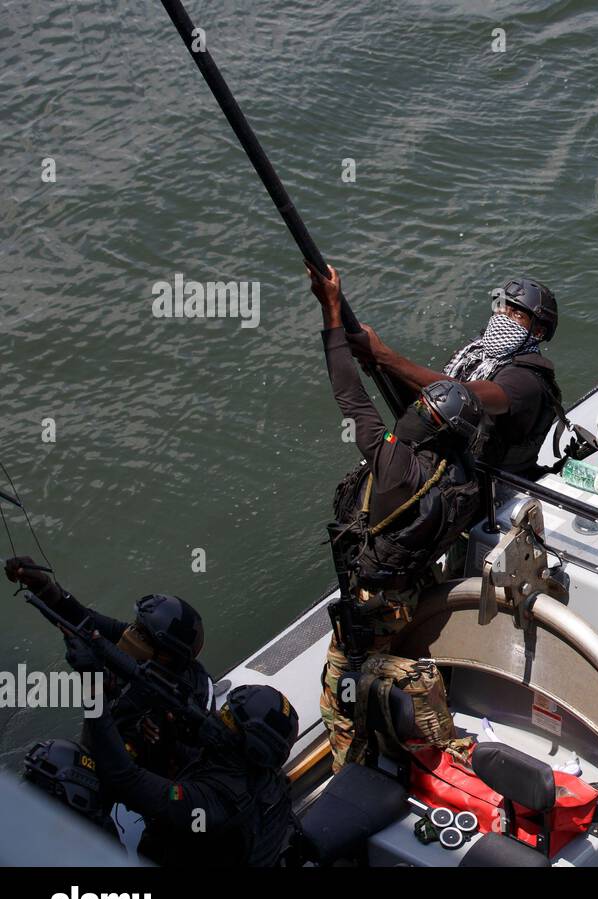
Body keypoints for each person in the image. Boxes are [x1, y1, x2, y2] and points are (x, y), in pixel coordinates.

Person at [308, 263, 485, 771]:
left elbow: (349, 394)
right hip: (412, 587)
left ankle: (355, 774)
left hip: (373, 600)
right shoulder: (461, 479)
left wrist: (331, 310)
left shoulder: (395, 469)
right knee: (391, 658)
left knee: (342, 696)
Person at [5, 557, 212, 777]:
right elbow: (83, 619)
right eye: (136, 625)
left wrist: (92, 681)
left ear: (166, 656)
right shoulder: (141, 650)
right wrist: (43, 585)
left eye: (141, 633)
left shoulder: (174, 706)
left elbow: (111, 758)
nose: (130, 632)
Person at [345, 277, 562, 477]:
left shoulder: (525, 381)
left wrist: (385, 356)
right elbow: (432, 400)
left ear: (538, 332)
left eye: (517, 315)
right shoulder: (474, 355)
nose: (504, 318)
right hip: (450, 461)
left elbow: (461, 395)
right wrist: (387, 369)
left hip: (488, 483)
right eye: (503, 308)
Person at [84, 682, 298, 866]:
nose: (217, 717)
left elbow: (127, 779)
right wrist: (165, 735)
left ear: (254, 747)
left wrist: (92, 693)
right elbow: (196, 763)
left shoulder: (208, 802)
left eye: (228, 719)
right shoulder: (256, 778)